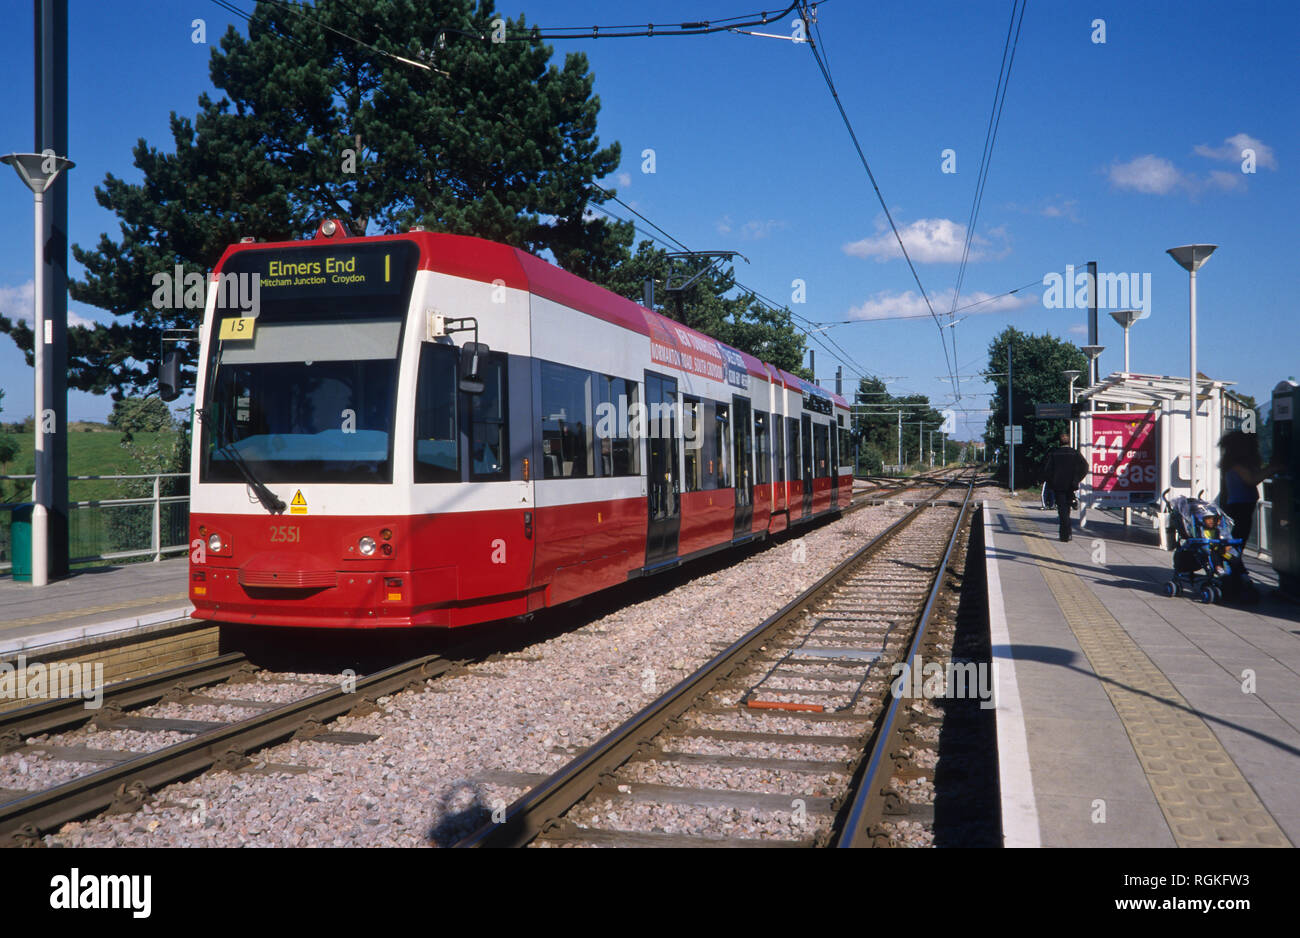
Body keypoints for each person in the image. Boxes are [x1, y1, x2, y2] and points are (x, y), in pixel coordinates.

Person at [1218, 430, 1277, 547]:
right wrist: (1272, 469)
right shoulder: (1237, 465)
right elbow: (1251, 480)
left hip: (1241, 504)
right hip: (1240, 505)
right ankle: (1233, 561)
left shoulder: (1232, 463)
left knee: (1240, 535)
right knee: (1239, 536)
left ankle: (1233, 560)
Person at [1040, 432, 1088, 542]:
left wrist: (1051, 481)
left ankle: (1064, 534)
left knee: (1062, 510)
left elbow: (1046, 470)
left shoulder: (1054, 453)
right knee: (1067, 509)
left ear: (1059, 442)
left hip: (1058, 485)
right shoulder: (1075, 453)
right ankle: (1068, 533)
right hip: (1071, 485)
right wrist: (1076, 479)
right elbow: (1085, 467)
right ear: (1069, 442)